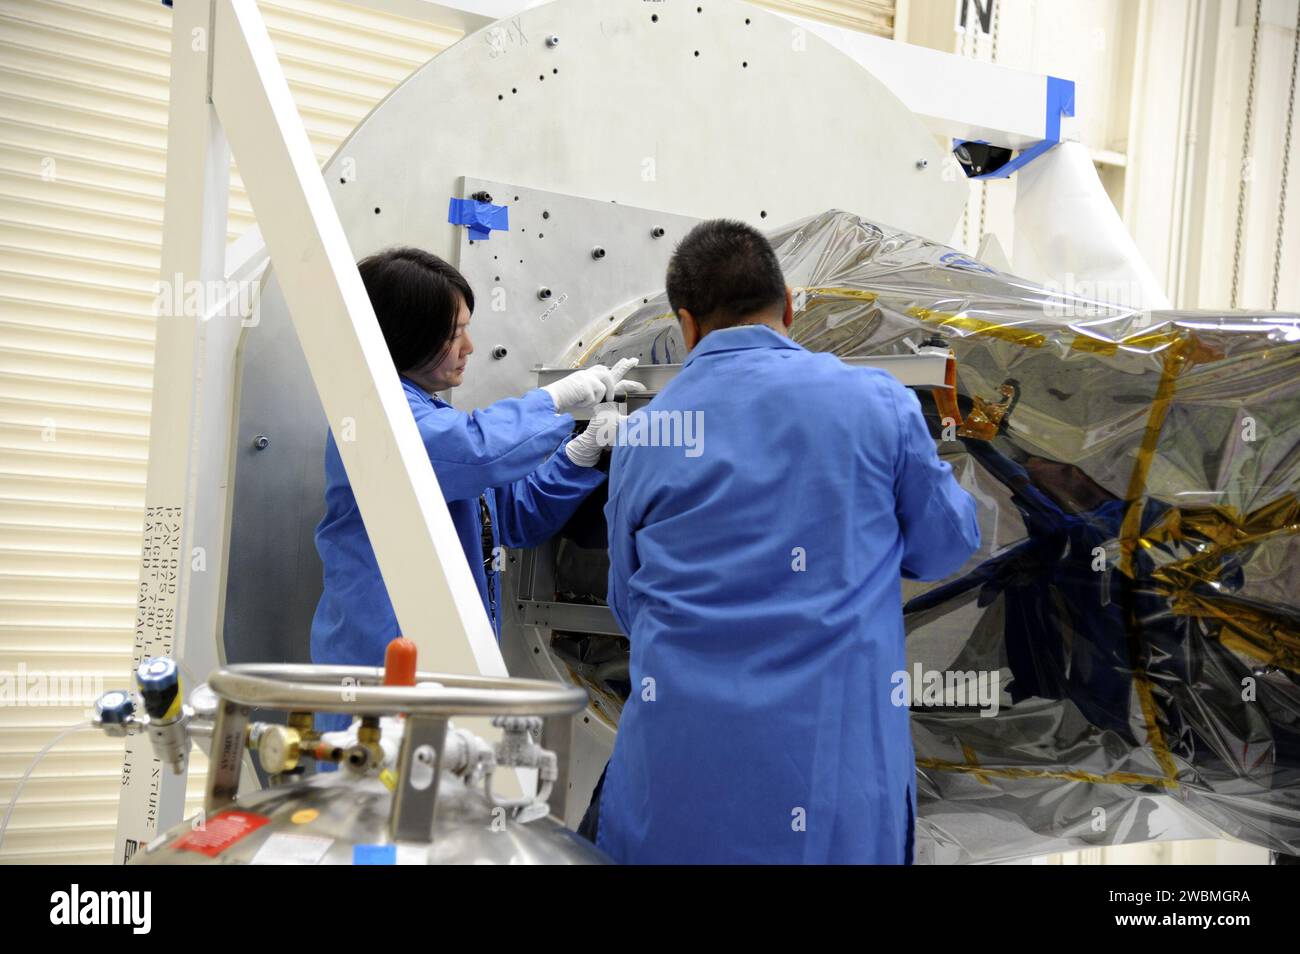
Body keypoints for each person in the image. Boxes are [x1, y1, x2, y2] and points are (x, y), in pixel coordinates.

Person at [592, 220, 981, 863]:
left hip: (675, 785)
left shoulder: (645, 435)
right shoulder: (877, 403)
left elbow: (629, 606)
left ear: (685, 325)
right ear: (790, 307)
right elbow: (943, 548)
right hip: (833, 787)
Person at [310, 248, 641, 713]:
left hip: (441, 680)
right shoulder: (377, 417)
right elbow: (477, 451)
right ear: (407, 334)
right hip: (381, 688)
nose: (469, 347)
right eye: (455, 333)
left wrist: (577, 458)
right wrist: (555, 400)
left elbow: (508, 518)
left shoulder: (430, 414)